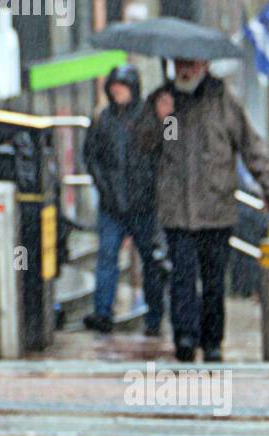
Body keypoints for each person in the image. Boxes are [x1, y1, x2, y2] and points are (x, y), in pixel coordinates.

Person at [135, 58, 269, 364]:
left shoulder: (222, 100)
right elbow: (143, 144)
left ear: (204, 64)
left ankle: (212, 340)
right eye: (180, 63)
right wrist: (160, 118)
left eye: (191, 64)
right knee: (182, 277)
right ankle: (186, 337)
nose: (185, 70)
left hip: (217, 207)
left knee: (215, 280)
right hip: (177, 210)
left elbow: (250, 145)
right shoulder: (163, 99)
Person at [83, 65, 166, 338]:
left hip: (143, 205)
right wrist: (104, 187)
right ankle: (102, 312)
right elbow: (92, 157)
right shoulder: (103, 119)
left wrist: (149, 190)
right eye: (114, 86)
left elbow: (159, 157)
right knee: (107, 256)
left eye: (123, 86)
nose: (118, 91)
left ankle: (155, 317)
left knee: (150, 262)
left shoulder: (148, 118)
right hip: (111, 204)